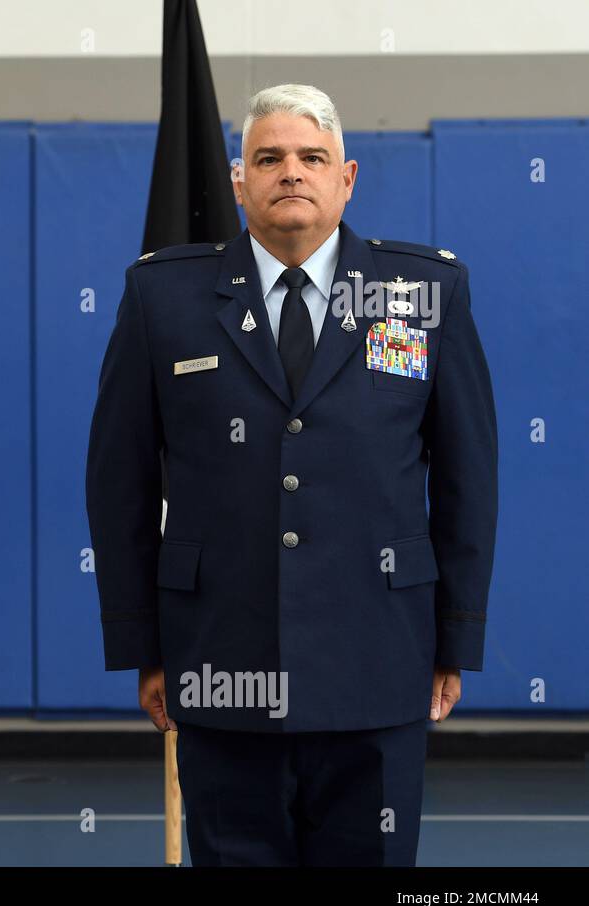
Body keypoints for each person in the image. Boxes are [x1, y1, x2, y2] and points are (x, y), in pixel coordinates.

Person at [85, 84, 497, 866]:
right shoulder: (161, 297)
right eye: (269, 158)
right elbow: (119, 485)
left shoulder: (423, 292)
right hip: (219, 660)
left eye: (312, 157)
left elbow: (469, 480)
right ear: (240, 181)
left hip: (379, 660)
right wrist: (144, 645)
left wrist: (455, 639)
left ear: (347, 178)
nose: (291, 173)